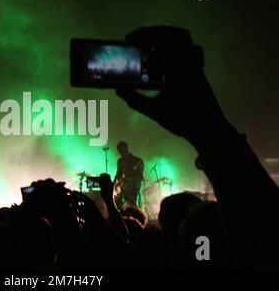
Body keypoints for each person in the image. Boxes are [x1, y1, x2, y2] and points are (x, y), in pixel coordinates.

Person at [116, 26, 279, 269]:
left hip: (135, 187)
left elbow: (137, 175)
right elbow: (267, 232)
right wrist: (210, 132)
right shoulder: (262, 251)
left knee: (132, 204)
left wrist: (210, 135)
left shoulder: (136, 160)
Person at [114, 141, 144, 209]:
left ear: (126, 148)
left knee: (134, 208)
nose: (120, 152)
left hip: (133, 190)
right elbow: (118, 174)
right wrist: (114, 184)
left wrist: (131, 182)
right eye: (119, 151)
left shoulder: (137, 161)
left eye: (122, 150)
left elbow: (140, 177)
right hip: (123, 189)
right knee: (119, 207)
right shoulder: (120, 161)